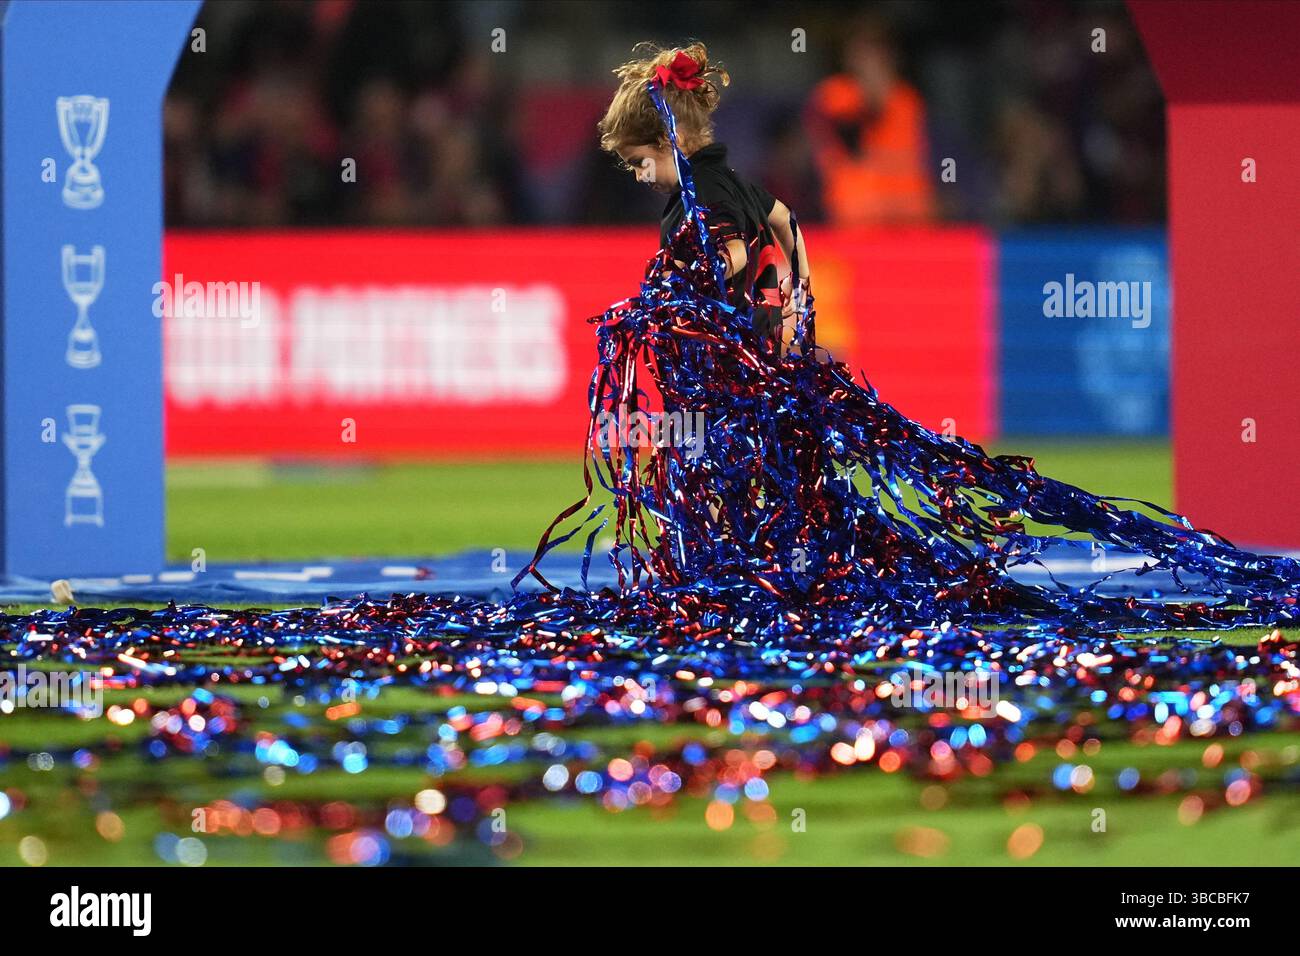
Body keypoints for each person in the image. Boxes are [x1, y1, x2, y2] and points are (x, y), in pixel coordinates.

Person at [515, 43, 1299, 642]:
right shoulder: (737, 182)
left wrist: (693, 303)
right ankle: (792, 579)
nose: (638, 174)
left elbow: (725, 255)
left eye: (639, 160)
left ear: (667, 143)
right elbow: (786, 227)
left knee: (742, 484)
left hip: (743, 386)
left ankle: (776, 588)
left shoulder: (698, 202)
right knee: (790, 484)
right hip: (768, 374)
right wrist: (798, 318)